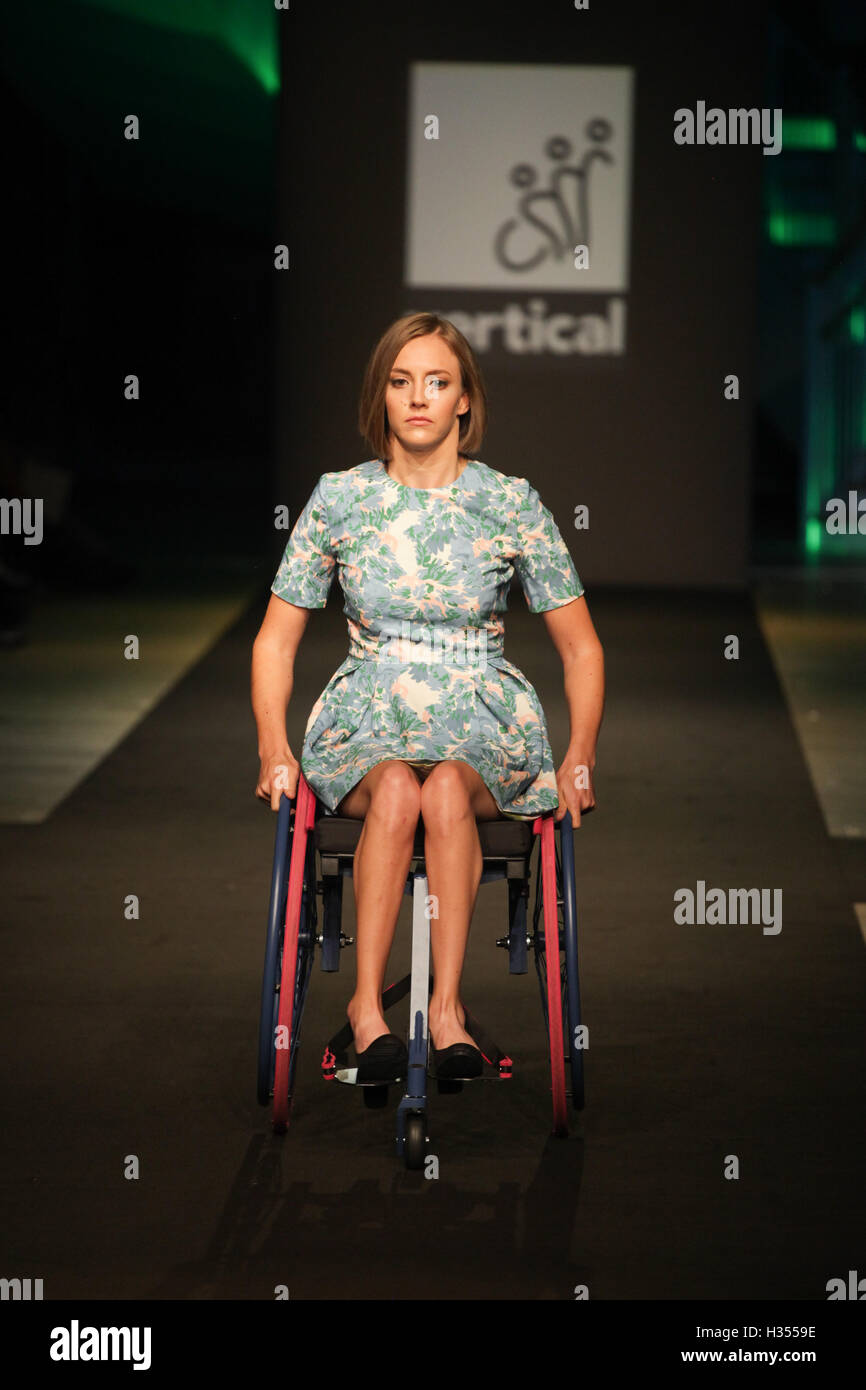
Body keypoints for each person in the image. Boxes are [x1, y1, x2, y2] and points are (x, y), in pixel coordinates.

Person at [251, 312, 604, 1083]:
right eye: (401, 382)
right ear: (381, 397)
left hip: (481, 715)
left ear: (465, 401)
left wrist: (579, 755)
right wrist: (273, 746)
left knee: (443, 787)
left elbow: (580, 645)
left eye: (437, 383)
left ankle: (446, 1011)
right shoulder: (340, 499)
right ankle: (366, 1010)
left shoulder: (508, 503)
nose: (418, 399)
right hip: (367, 713)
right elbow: (275, 639)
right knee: (400, 790)